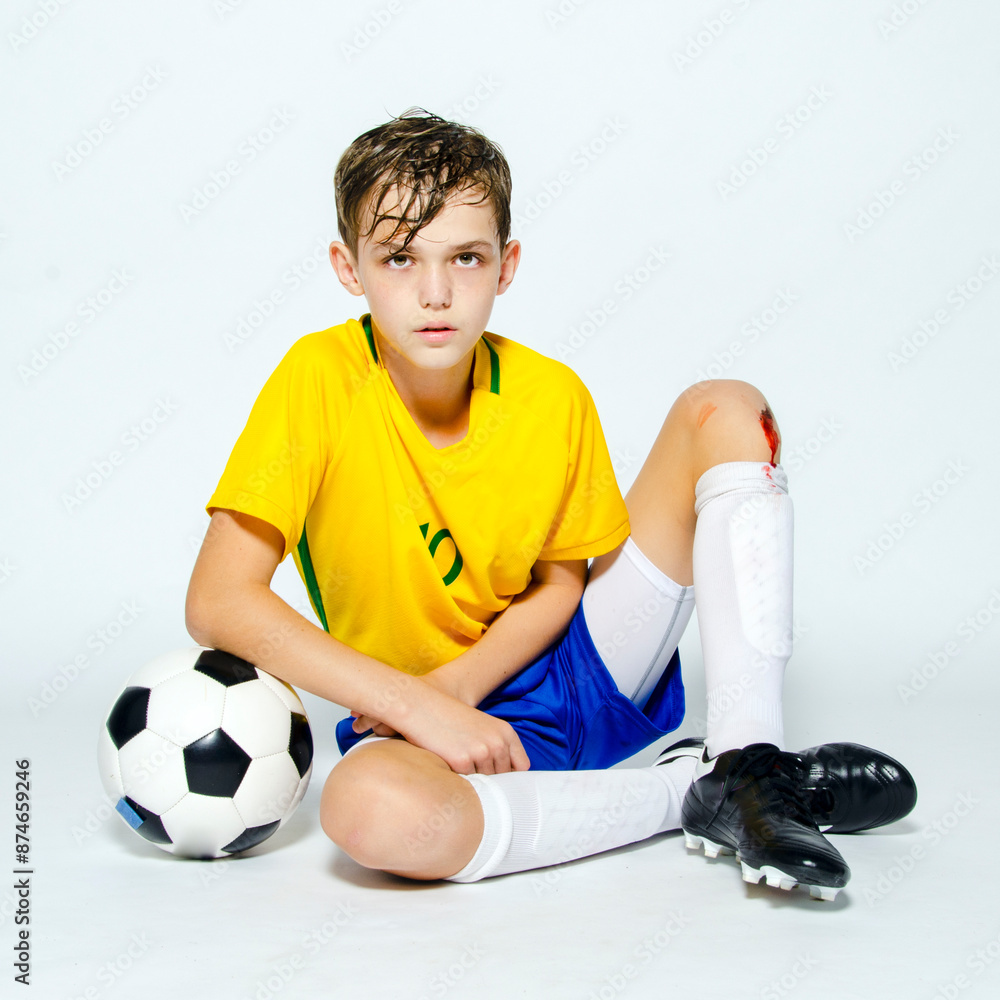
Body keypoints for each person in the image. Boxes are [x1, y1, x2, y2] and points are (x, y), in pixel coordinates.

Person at [185, 109, 915, 900]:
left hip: (576, 667)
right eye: (399, 258)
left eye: (466, 257)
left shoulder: (553, 396)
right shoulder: (318, 380)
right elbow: (219, 600)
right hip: (422, 727)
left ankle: (752, 759)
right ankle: (692, 790)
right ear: (348, 267)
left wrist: (461, 686)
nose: (436, 293)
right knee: (367, 813)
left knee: (727, 408)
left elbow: (561, 584)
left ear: (506, 265)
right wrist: (422, 704)